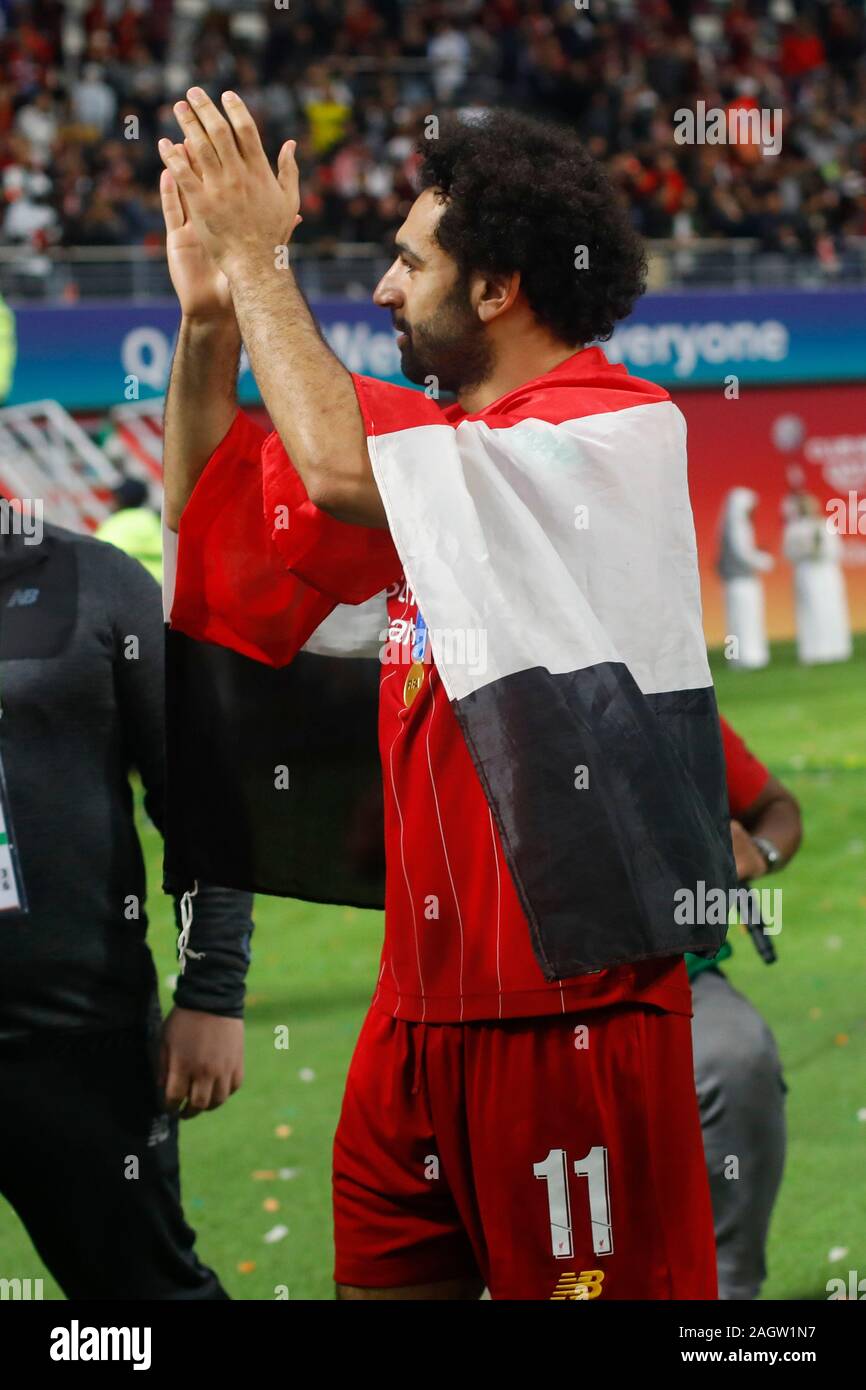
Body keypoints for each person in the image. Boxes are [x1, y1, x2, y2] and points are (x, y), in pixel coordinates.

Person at [159, 99, 736, 1301]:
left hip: (567, 1013)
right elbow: (213, 507)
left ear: (495, 290)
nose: (379, 290)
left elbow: (326, 460)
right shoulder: (448, 459)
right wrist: (211, 316)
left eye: (408, 261)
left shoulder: (611, 431)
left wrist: (266, 262)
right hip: (412, 1018)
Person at [0, 522, 253, 1300]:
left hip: (74, 1036)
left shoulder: (93, 579)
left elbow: (205, 797)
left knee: (142, 1304)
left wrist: (212, 992)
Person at [689, 717, 801, 1301]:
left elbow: (780, 809)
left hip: (673, 977)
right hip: (515, 990)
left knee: (738, 1055)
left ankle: (728, 1297)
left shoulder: (660, 691)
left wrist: (757, 852)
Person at [782, 491, 852, 665]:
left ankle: (836, 649)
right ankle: (814, 651)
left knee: (831, 609)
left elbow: (835, 550)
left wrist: (820, 549)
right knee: (811, 610)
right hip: (807, 573)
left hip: (827, 573)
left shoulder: (825, 524)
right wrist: (807, 550)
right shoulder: (793, 528)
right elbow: (789, 553)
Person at [717, 488, 774, 670]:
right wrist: (763, 561)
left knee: (737, 620)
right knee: (745, 619)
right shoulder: (738, 525)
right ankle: (749, 657)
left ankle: (738, 658)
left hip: (734, 581)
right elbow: (743, 553)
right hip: (742, 580)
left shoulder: (726, 525)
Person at [95, 477, 164, 583]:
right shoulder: (151, 520)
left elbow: (96, 555)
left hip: (125, 588)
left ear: (120, 499)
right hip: (159, 588)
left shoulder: (114, 523)